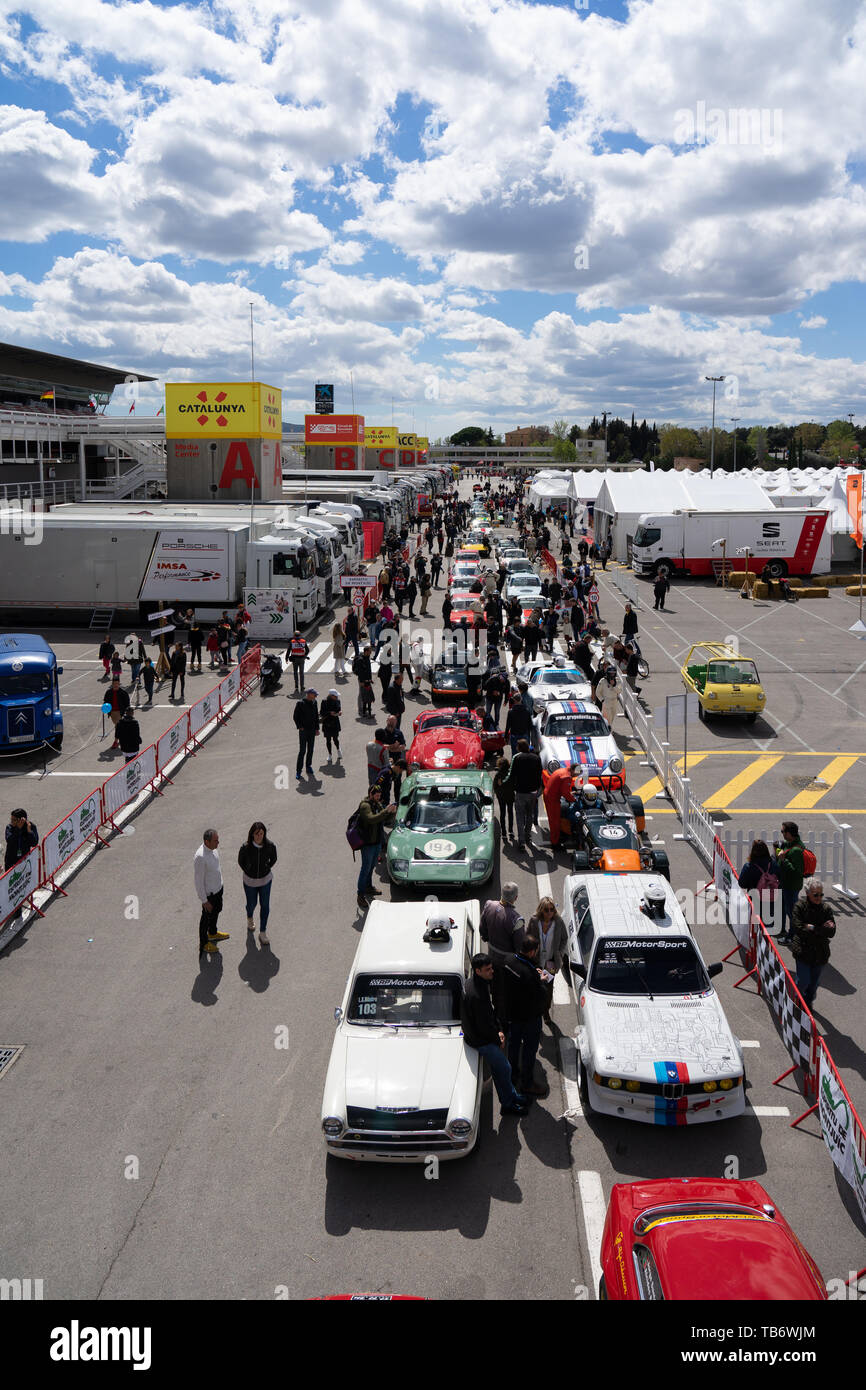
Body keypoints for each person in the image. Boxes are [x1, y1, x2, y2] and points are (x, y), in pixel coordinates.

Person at [460, 955, 529, 1118]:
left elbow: (489, 1013)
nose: (492, 971)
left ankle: (511, 1097)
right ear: (477, 971)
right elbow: (484, 1025)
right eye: (488, 970)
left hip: (483, 1034)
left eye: (491, 968)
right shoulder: (476, 994)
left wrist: (498, 1030)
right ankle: (507, 1104)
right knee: (505, 1068)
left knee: (500, 1070)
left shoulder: (477, 983)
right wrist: (498, 1038)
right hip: (480, 1040)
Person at [500, 933, 549, 1096]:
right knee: (529, 1050)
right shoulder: (530, 974)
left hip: (513, 1015)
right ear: (532, 952)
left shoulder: (508, 961)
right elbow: (540, 994)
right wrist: (541, 979)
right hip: (529, 1018)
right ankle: (527, 1083)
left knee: (513, 1046)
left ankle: (513, 1075)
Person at [790, 879, 836, 1010]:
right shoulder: (800, 907)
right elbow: (799, 928)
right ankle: (797, 1001)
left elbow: (831, 931)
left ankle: (808, 1003)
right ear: (808, 893)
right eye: (815, 895)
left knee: (814, 984)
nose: (819, 898)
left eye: (821, 894)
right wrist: (821, 929)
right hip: (803, 951)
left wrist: (812, 928)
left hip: (820, 954)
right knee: (803, 981)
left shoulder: (826, 909)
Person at [526, 897, 567, 1023]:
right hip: (536, 961)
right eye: (546, 910)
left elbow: (564, 939)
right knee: (533, 986)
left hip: (551, 962)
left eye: (552, 909)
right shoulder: (534, 921)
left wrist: (559, 953)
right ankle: (534, 1010)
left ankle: (546, 1011)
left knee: (548, 989)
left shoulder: (558, 922)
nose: (550, 912)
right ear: (541, 910)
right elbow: (527, 936)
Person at [355, 783, 396, 909]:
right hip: (367, 843)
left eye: (379, 796)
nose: (378, 798)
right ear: (370, 794)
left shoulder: (376, 803)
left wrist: (391, 812)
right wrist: (385, 811)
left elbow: (383, 819)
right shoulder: (365, 806)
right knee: (365, 868)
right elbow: (371, 819)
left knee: (371, 866)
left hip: (376, 842)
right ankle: (360, 894)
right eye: (376, 796)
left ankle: (368, 887)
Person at [238, 821, 278, 946]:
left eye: (261, 833)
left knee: (265, 905)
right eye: (257, 834)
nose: (259, 836)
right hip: (250, 881)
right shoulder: (245, 847)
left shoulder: (270, 846)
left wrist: (266, 867)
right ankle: (250, 917)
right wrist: (249, 869)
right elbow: (241, 861)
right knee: (252, 904)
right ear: (252, 835)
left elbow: (274, 859)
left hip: (265, 880)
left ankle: (263, 932)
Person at [194, 829, 230, 958]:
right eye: (215, 840)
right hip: (209, 895)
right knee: (206, 919)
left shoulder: (213, 849)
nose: (218, 842)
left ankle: (213, 933)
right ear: (206, 841)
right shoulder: (200, 857)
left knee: (216, 911)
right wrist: (204, 900)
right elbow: (198, 881)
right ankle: (204, 943)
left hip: (218, 890)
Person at [504, 739, 543, 851]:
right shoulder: (536, 758)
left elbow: (511, 775)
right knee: (530, 815)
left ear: (519, 748)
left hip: (521, 792)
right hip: (533, 792)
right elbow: (540, 774)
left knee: (520, 817)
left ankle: (521, 842)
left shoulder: (517, 758)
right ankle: (528, 837)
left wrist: (504, 783)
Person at [774, 821, 807, 943]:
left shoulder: (796, 850)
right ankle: (790, 932)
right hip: (786, 883)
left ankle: (792, 936)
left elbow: (797, 871)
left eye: (783, 831)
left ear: (788, 833)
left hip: (791, 885)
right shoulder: (790, 844)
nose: (781, 833)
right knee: (787, 909)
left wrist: (783, 860)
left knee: (791, 912)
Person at [738, 839, 779, 927]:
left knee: (754, 927)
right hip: (771, 898)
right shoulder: (773, 864)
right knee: (767, 927)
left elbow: (742, 883)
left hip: (755, 899)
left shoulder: (749, 866)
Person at [293, 687, 320, 780]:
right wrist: (300, 726)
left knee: (311, 749)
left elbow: (316, 716)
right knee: (302, 751)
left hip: (312, 730)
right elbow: (295, 716)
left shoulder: (314, 702)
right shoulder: (300, 703)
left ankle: (308, 766)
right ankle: (298, 771)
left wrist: (317, 728)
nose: (316, 696)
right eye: (314, 694)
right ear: (309, 694)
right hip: (304, 731)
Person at [493, 754, 515, 842]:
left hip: (501, 797)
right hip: (510, 795)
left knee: (502, 814)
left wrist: (498, 794)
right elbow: (514, 784)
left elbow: (495, 787)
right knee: (510, 813)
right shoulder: (510, 773)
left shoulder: (498, 775)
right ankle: (511, 831)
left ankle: (504, 833)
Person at [105, 675, 130, 749]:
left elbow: (127, 703)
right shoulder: (108, 692)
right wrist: (105, 708)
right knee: (118, 726)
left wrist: (126, 712)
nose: (115, 685)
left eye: (117, 683)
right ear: (112, 684)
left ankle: (116, 741)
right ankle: (122, 736)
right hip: (112, 712)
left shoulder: (123, 693)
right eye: (114, 683)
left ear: (119, 684)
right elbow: (105, 701)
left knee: (118, 727)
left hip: (120, 712)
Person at [320, 689, 342, 762]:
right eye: (335, 696)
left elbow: (339, 709)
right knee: (328, 740)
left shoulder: (337, 701)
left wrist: (339, 712)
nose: (337, 697)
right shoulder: (324, 701)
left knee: (335, 739)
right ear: (331, 696)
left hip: (335, 722)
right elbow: (322, 712)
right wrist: (330, 713)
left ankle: (338, 750)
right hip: (327, 723)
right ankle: (330, 754)